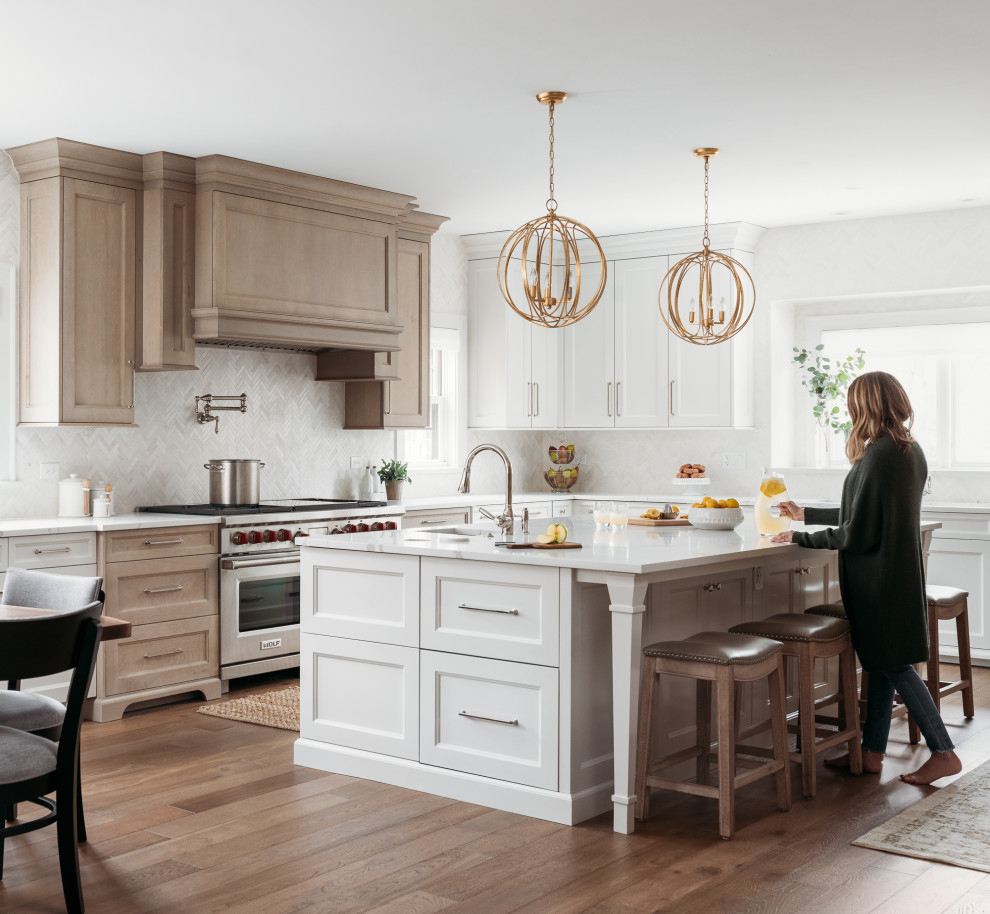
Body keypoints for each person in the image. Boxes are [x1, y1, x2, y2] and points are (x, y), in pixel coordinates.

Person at [772, 371, 962, 786]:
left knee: (893, 665)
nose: (848, 409)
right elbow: (868, 510)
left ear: (866, 405)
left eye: (852, 402)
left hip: (878, 580)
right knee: (880, 663)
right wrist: (807, 513)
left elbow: (857, 532)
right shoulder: (907, 450)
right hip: (895, 573)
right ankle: (872, 752)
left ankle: (944, 752)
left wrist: (800, 536)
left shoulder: (879, 455)